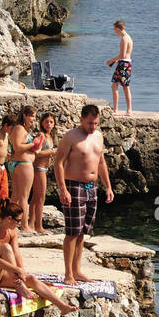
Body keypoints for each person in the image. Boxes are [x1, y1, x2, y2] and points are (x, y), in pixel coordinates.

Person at [0, 199, 76, 314]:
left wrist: (22, 273)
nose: (19, 224)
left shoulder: (12, 232)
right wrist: (17, 271)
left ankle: (62, 306)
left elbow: (17, 255)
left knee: (32, 279)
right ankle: (19, 285)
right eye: (18, 221)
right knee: (5, 248)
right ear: (9, 218)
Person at [54, 103, 114, 286]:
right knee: (72, 232)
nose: (93, 127)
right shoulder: (71, 137)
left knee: (82, 232)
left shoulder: (98, 136)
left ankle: (77, 270)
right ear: (81, 119)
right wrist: (63, 189)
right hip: (73, 186)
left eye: (95, 123)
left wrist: (108, 187)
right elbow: (58, 163)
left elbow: (101, 163)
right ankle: (68, 274)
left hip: (91, 187)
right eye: (89, 123)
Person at [7, 106, 45, 234]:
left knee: (16, 196)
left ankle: (9, 222)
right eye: (31, 116)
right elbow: (18, 147)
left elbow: (28, 148)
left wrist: (38, 143)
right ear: (24, 115)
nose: (33, 119)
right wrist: (33, 143)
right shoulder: (19, 128)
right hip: (22, 164)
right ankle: (24, 226)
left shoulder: (22, 129)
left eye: (35, 117)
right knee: (24, 197)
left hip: (17, 163)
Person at [28, 112, 58, 235]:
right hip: (38, 168)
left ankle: (31, 223)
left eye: (51, 122)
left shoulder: (50, 136)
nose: (49, 124)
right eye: (46, 122)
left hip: (44, 169)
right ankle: (39, 226)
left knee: (35, 197)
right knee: (40, 198)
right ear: (42, 123)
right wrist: (52, 152)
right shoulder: (41, 135)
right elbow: (36, 152)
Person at [106, 19, 133, 115]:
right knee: (126, 87)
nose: (114, 32)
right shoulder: (129, 37)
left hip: (123, 64)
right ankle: (129, 110)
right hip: (127, 63)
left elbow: (122, 55)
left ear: (118, 28)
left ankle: (115, 110)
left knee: (114, 85)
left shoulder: (124, 39)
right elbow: (125, 55)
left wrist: (111, 60)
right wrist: (115, 61)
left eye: (115, 29)